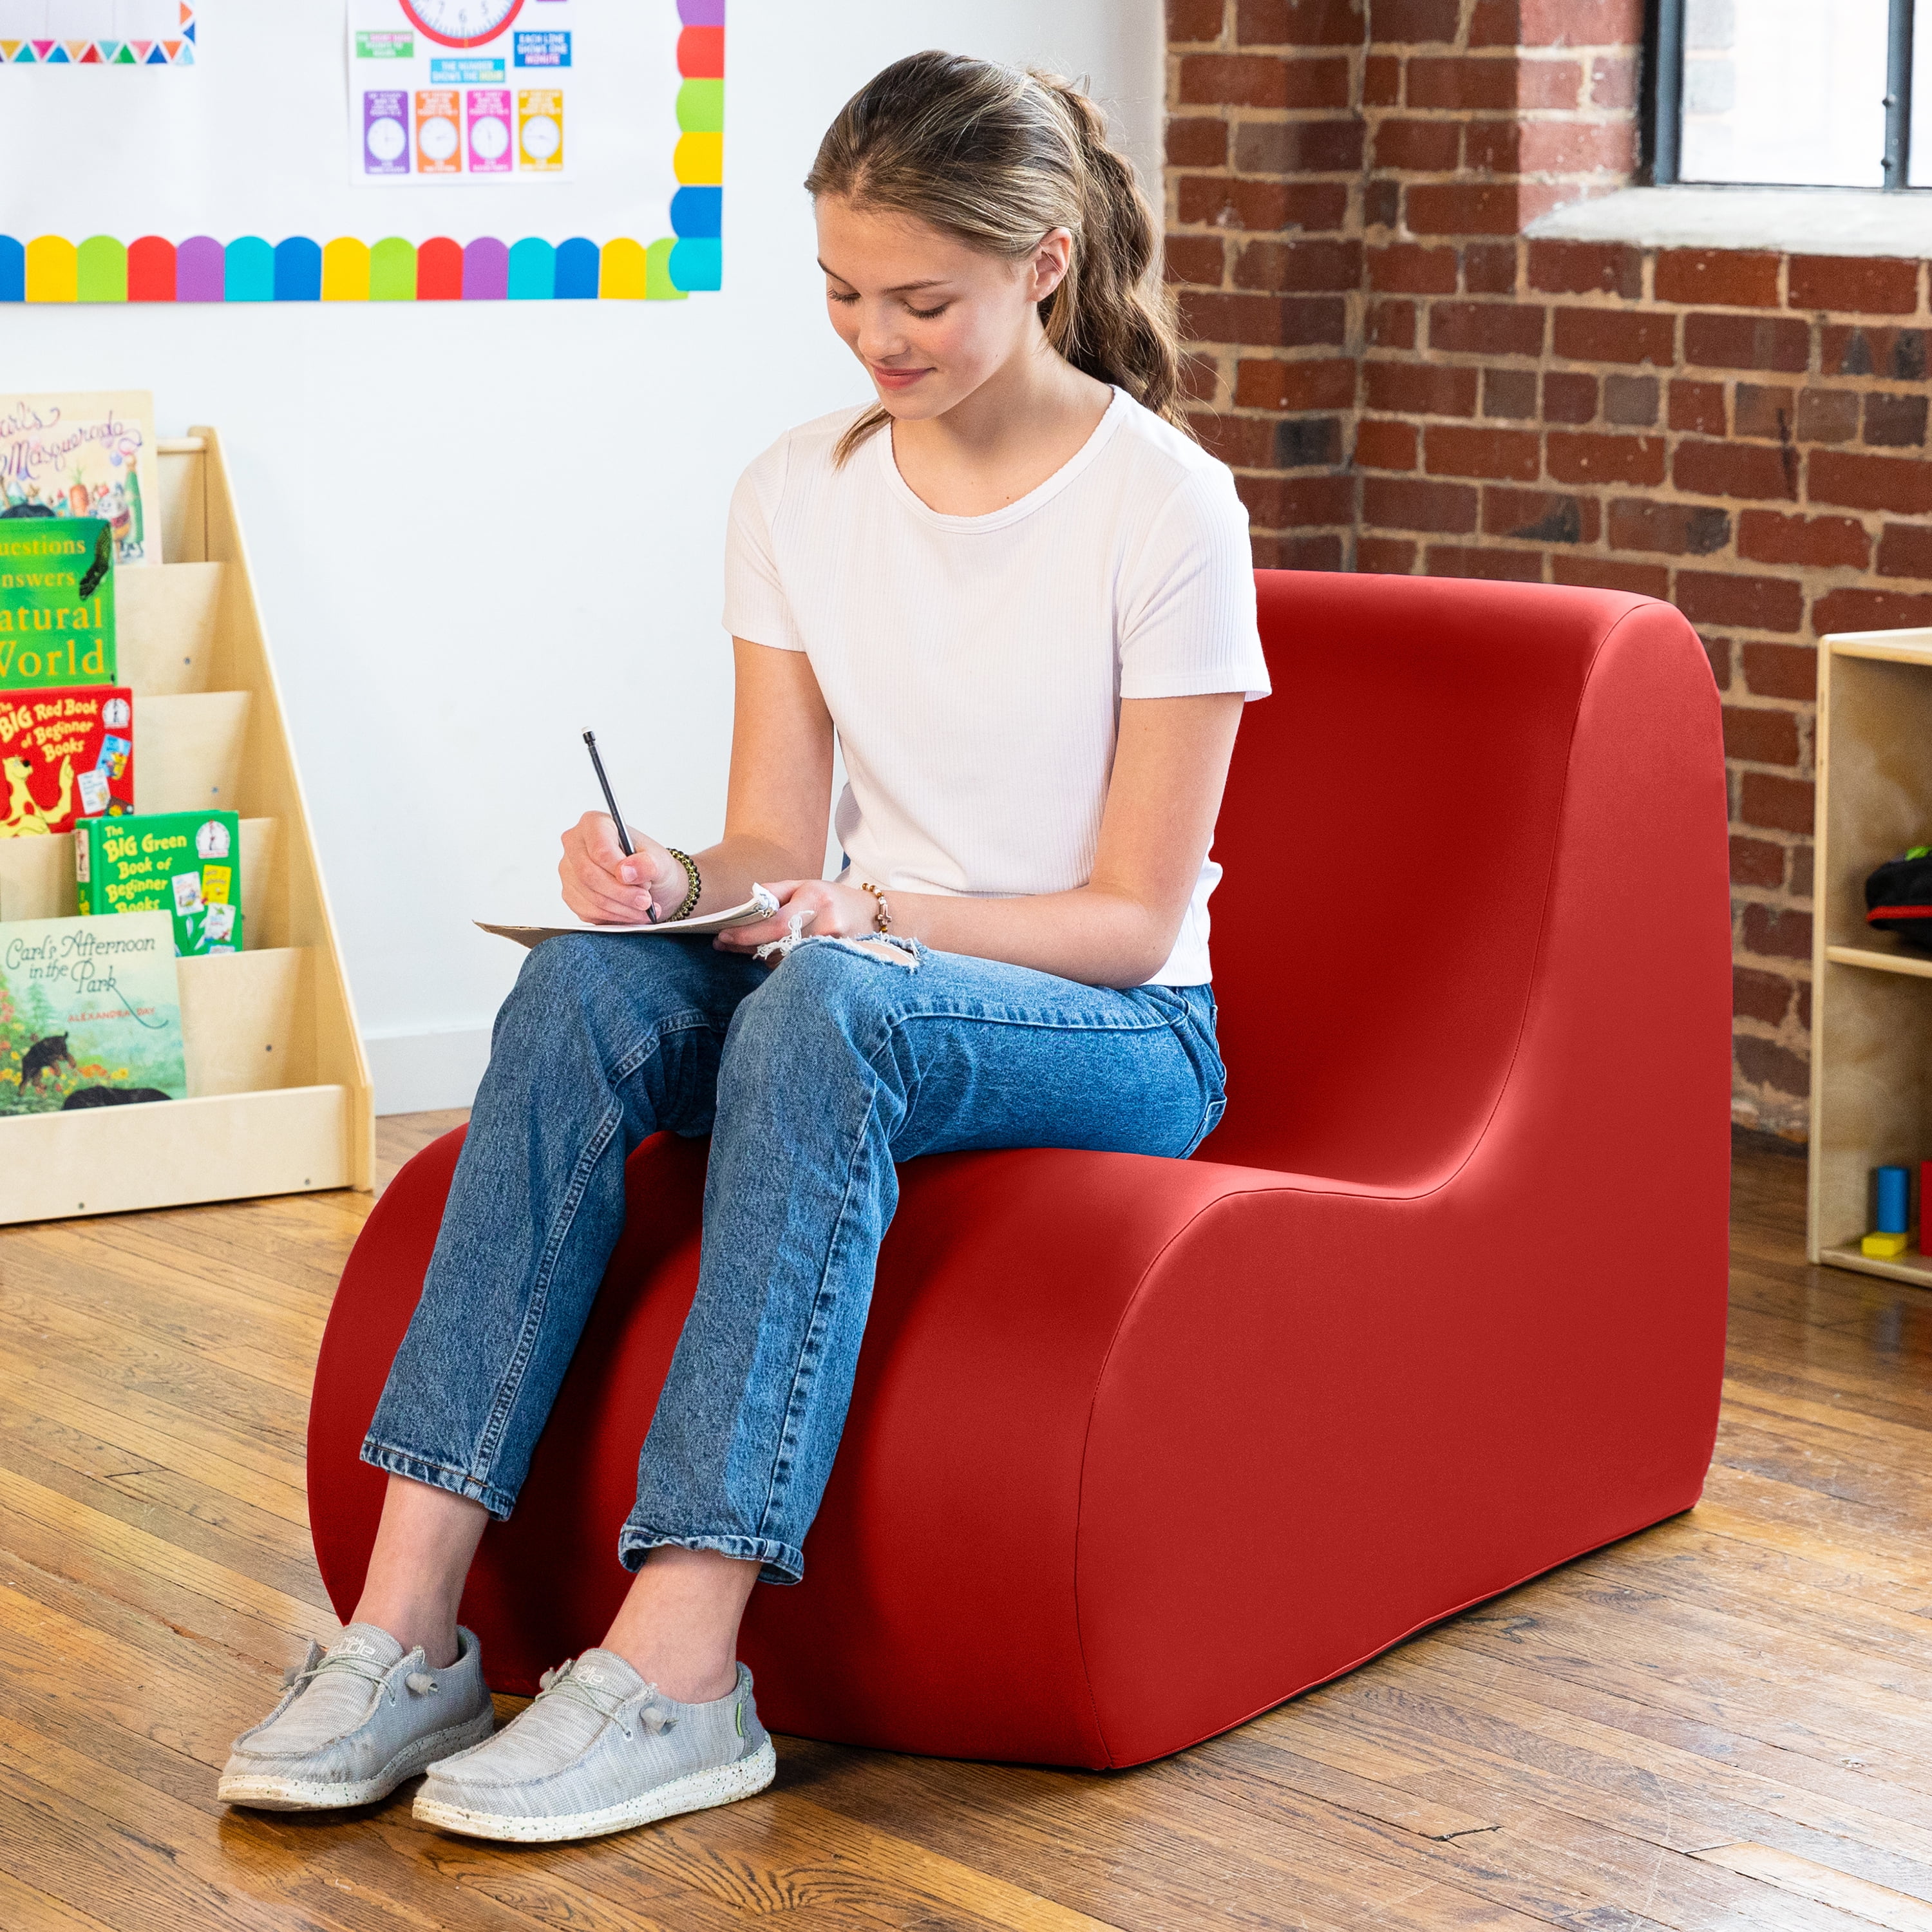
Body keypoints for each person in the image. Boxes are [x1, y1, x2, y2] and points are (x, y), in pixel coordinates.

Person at [220, 47, 1269, 1844]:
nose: (879, 336)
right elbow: (777, 842)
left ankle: (688, 1667)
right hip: (864, 984)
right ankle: (406, 1624)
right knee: (579, 986)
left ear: (1046, 259)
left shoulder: (1163, 505)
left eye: (922, 298)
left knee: (833, 1012)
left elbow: (1129, 919)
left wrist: (874, 918)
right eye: (846, 294)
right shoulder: (797, 489)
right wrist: (665, 873)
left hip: (1115, 1034)